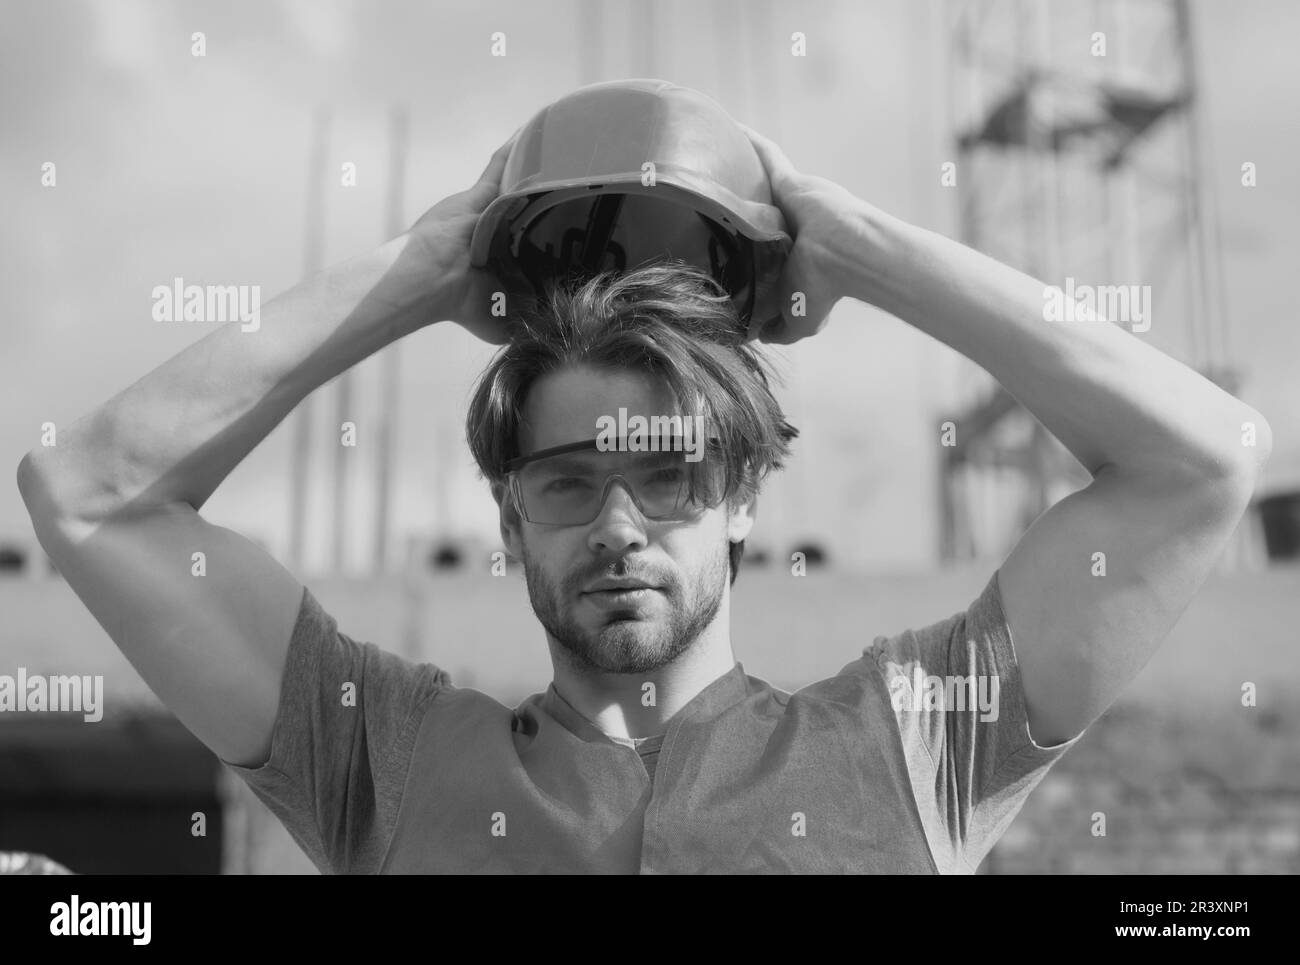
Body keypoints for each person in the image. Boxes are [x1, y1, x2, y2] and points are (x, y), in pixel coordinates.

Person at [17, 126, 1271, 874]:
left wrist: (860, 247)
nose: (619, 525)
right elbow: (87, 494)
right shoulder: (376, 757)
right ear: (509, 520)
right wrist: (426, 269)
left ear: (737, 496)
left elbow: (1202, 461)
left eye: (666, 474)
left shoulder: (916, 741)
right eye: (568, 482)